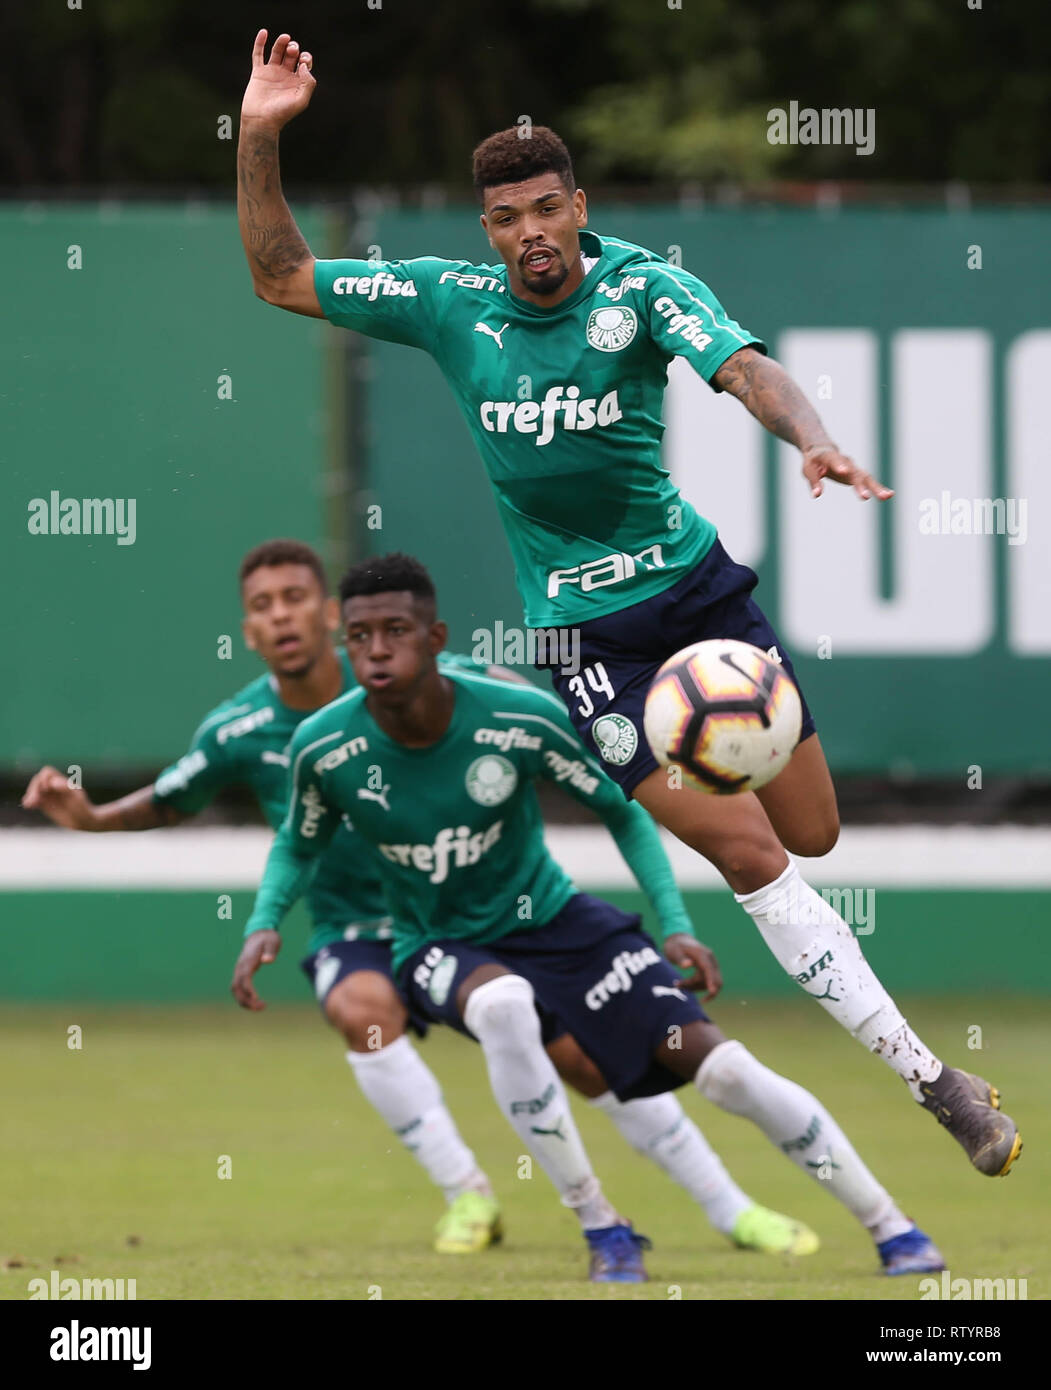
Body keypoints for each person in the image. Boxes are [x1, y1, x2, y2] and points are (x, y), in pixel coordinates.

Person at [233, 32, 1020, 1180]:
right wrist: (259, 136)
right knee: (751, 850)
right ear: (487, 228)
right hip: (584, 640)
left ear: (577, 204)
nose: (530, 233)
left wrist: (818, 441)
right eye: (507, 218)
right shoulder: (449, 305)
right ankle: (933, 1080)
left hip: (700, 597)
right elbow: (276, 274)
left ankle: (895, 1034)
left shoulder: (643, 286)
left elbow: (745, 368)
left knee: (812, 832)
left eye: (547, 208)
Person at [21, 537, 818, 1270]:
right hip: (361, 934)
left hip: (478, 922)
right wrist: (90, 817)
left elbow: (549, 740)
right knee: (360, 1007)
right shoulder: (241, 729)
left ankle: (731, 1208)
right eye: (261, 608)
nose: (280, 616)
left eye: (294, 597)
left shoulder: (445, 683)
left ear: (331, 617)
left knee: (584, 1060)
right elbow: (170, 799)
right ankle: (468, 1193)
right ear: (250, 633)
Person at [242, 550, 945, 1282]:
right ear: (344, 641)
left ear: (436, 636)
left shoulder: (516, 715)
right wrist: (265, 920)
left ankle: (891, 1227)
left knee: (725, 1073)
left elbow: (624, 812)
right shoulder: (323, 745)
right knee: (504, 1006)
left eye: (396, 630)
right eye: (360, 636)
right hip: (437, 941)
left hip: (556, 924)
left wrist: (672, 921)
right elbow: (298, 842)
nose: (377, 650)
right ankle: (601, 1223)